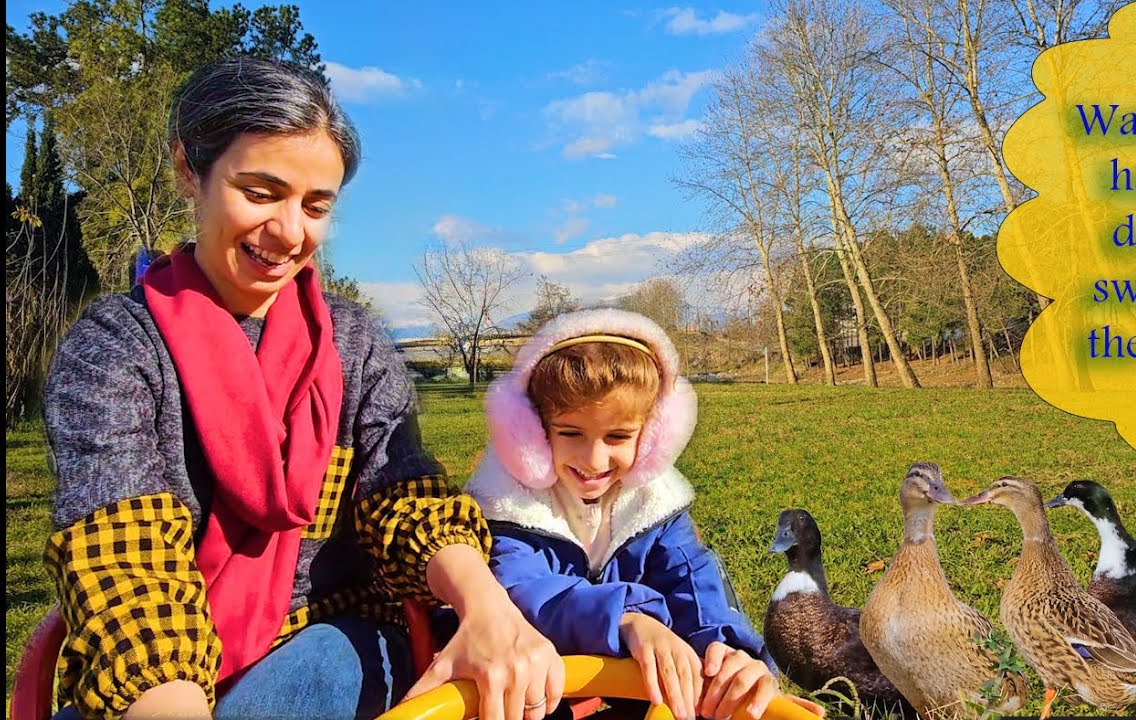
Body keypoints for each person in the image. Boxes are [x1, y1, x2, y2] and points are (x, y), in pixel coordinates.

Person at [42, 56, 561, 720]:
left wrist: (484, 606)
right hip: (157, 679)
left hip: (336, 638)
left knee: (318, 662)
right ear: (188, 171)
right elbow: (124, 566)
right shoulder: (114, 349)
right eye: (260, 192)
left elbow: (405, 498)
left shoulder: (355, 342)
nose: (291, 232)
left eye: (317, 206)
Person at [466, 309, 824, 720]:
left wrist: (727, 652)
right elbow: (522, 592)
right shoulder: (510, 507)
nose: (594, 459)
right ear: (531, 432)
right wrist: (627, 617)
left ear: (655, 437)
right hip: (531, 689)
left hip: (632, 686)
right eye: (570, 433)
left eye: (618, 436)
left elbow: (694, 580)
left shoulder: (654, 506)